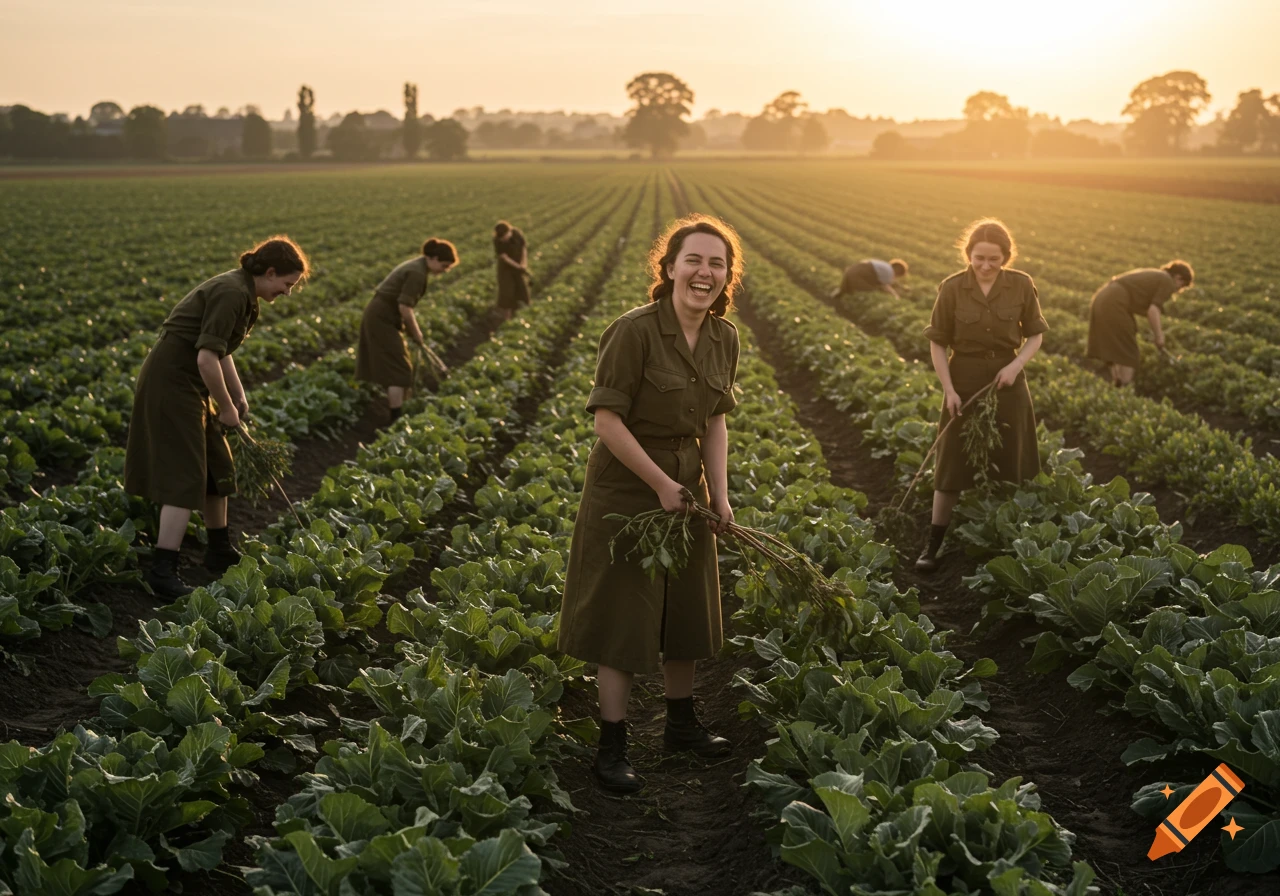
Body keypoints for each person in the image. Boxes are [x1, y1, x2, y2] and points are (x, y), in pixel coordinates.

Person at [558, 214, 743, 794]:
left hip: (687, 486)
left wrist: (720, 495)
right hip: (628, 487)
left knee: (685, 605)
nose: (704, 272)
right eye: (693, 260)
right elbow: (607, 421)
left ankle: (680, 725)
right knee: (623, 614)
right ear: (668, 268)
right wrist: (660, 484)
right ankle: (611, 745)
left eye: (717, 263)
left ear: (726, 277)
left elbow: (714, 421)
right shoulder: (634, 331)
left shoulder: (724, 338)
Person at [125, 236, 311, 597]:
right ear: (269, 272)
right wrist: (225, 408)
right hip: (172, 383)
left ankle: (219, 550)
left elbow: (222, 350)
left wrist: (237, 396)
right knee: (187, 473)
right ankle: (163, 570)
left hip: (190, 382)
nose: (287, 293)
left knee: (217, 465)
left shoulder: (244, 291)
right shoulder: (231, 292)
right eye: (287, 284)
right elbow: (205, 358)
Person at [916, 219, 1048, 573]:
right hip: (965, 378)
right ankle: (933, 544)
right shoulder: (952, 288)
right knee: (952, 460)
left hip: (1008, 378)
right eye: (979, 258)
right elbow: (938, 341)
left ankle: (1015, 541)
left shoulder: (1021, 285)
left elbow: (1035, 335)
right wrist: (949, 390)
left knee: (1014, 456)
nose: (987, 266)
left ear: (1006, 256)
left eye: (994, 259)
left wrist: (1015, 366)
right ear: (968, 255)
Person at [355, 238, 459, 422]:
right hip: (381, 319)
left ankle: (402, 411)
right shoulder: (417, 273)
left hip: (384, 316)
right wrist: (416, 332)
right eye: (444, 266)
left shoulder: (418, 266)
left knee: (402, 366)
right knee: (400, 371)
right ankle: (396, 418)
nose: (445, 271)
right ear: (433, 258)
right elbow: (404, 307)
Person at [1087, 261, 1193, 386]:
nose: (1178, 290)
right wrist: (1159, 336)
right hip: (1114, 302)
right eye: (1182, 285)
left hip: (1102, 298)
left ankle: (1117, 385)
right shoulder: (1167, 281)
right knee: (1129, 352)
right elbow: (1153, 311)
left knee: (1117, 347)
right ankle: (1124, 389)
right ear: (1178, 277)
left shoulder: (1157, 275)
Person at [493, 221, 530, 320]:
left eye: (505, 236)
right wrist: (518, 267)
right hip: (506, 268)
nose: (504, 239)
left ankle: (522, 315)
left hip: (519, 262)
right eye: (502, 238)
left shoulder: (517, 234)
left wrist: (524, 263)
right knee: (507, 291)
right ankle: (507, 317)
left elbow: (523, 249)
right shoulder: (497, 241)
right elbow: (504, 258)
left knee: (521, 289)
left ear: (509, 231)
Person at [831, 258, 909, 300]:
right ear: (898, 271)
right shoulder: (889, 272)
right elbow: (885, 287)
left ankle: (835, 297)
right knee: (872, 291)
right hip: (857, 275)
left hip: (851, 270)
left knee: (845, 289)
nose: (896, 277)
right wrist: (895, 296)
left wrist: (901, 287)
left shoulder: (885, 266)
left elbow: (890, 282)